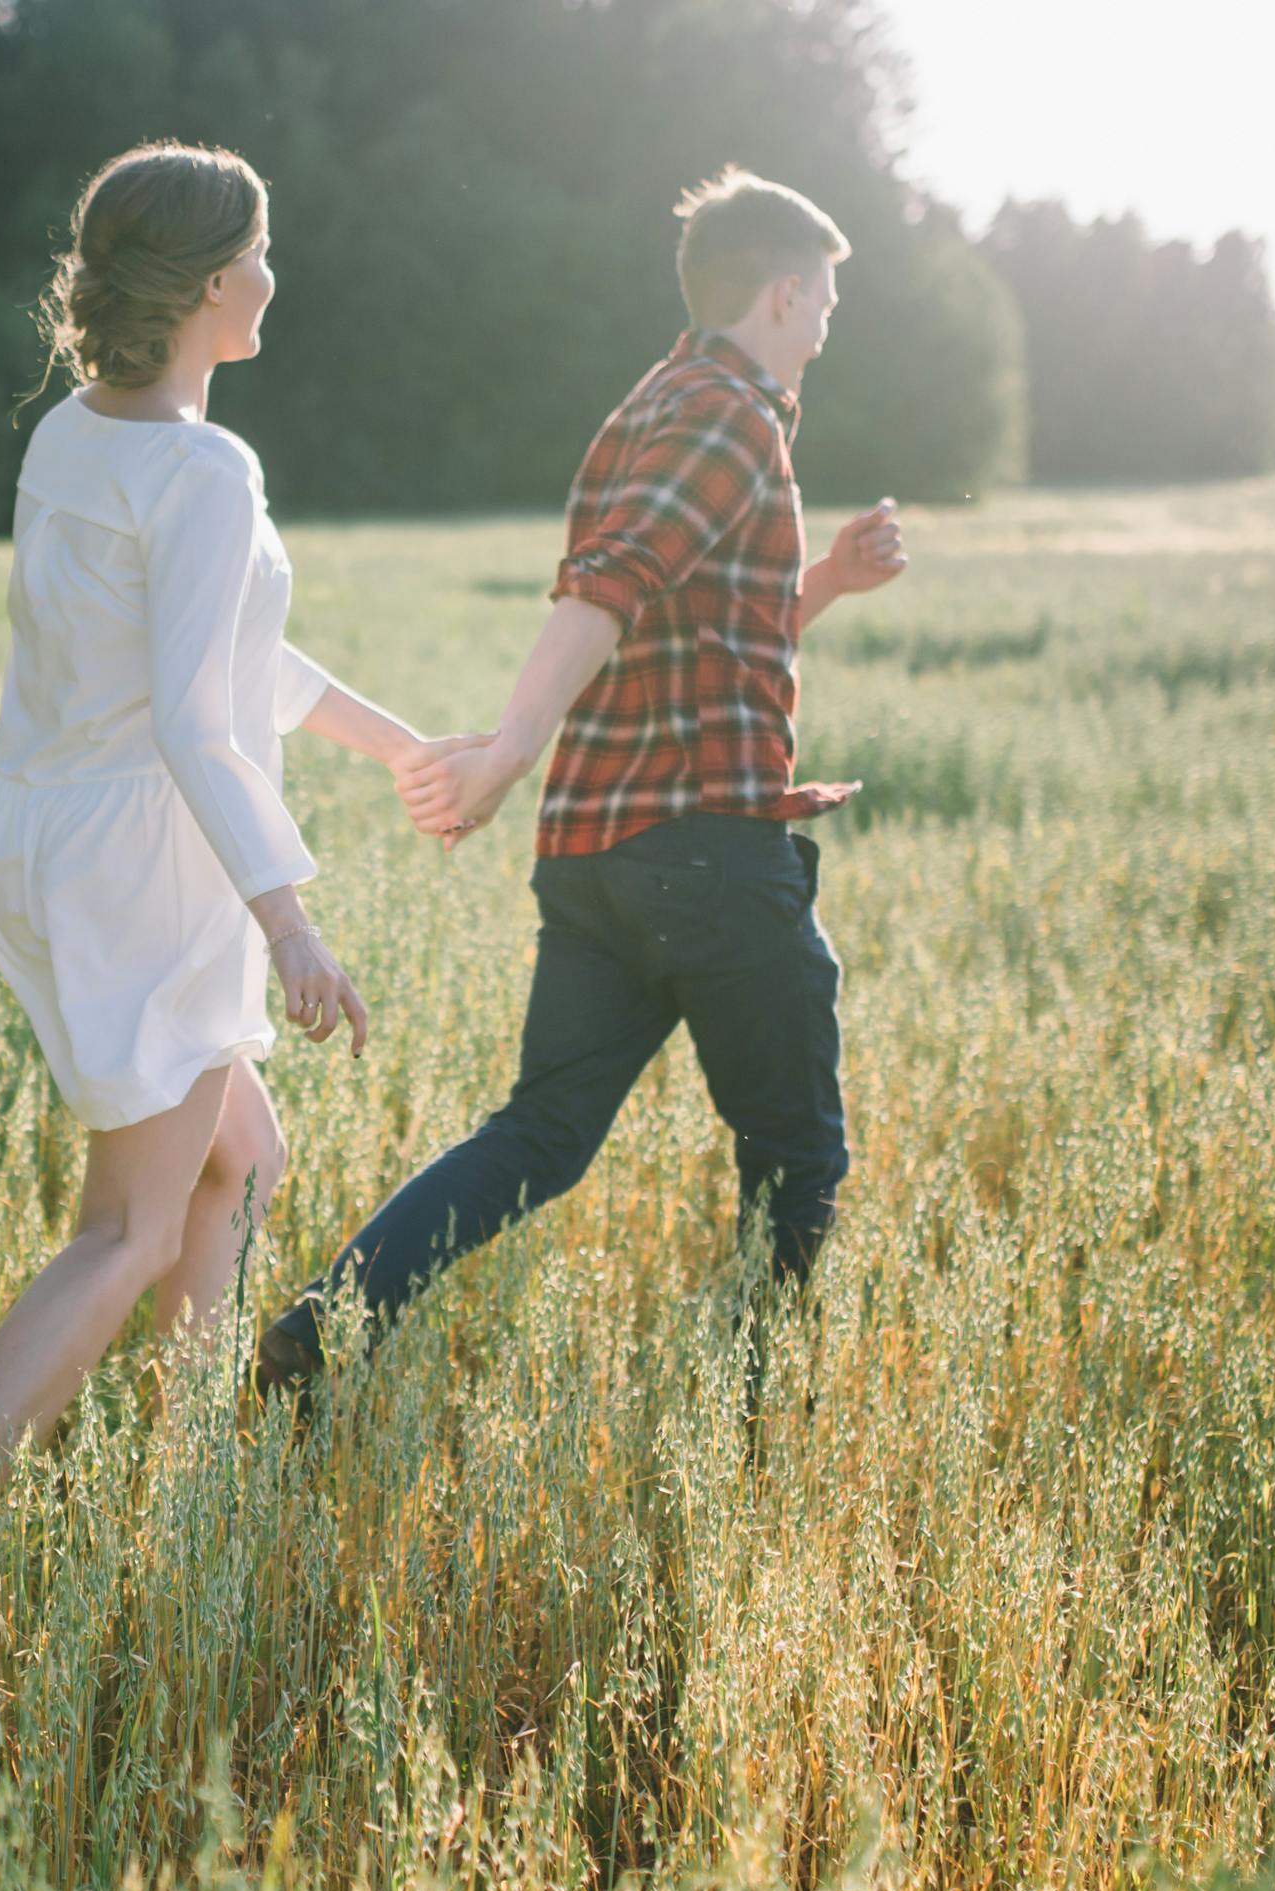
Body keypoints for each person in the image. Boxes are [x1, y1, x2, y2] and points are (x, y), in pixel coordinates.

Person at [0, 143, 457, 1583]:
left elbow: (221, 654)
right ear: (202, 286)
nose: (270, 273)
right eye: (257, 249)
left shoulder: (78, 431)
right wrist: (291, 927)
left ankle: (187, 1491)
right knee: (124, 1227)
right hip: (148, 862)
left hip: (51, 838)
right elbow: (197, 715)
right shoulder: (203, 465)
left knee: (240, 1161)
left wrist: (395, 744)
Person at [253, 166, 911, 1400]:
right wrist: (505, 744)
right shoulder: (731, 416)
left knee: (539, 1135)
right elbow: (606, 583)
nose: (827, 324)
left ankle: (322, 1326)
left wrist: (818, 580)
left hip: (598, 860)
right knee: (797, 1154)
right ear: (779, 293)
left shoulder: (647, 407)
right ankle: (746, 1423)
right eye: (822, 300)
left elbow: (691, 631)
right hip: (706, 856)